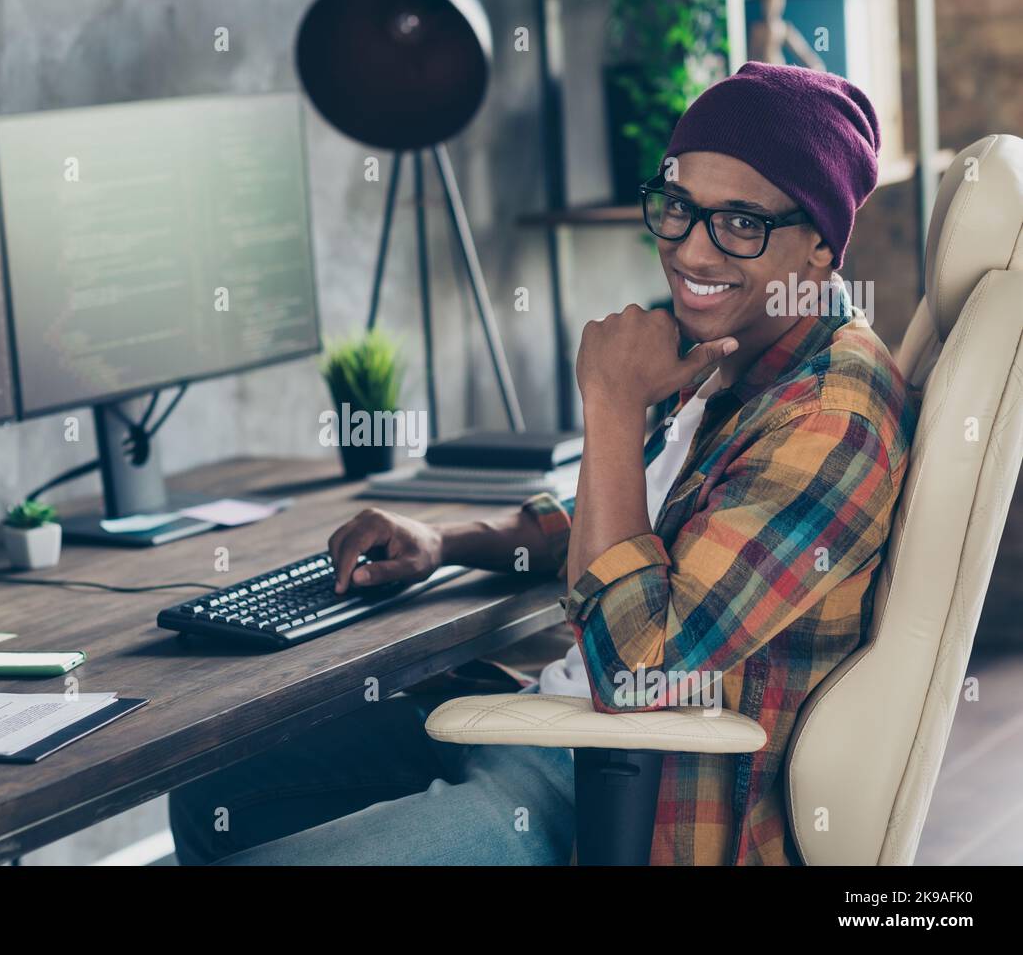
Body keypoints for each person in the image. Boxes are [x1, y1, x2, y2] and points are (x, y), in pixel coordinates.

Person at [171, 62, 916, 865]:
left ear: (819, 245)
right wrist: (447, 543)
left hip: (619, 790)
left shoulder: (828, 420)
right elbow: (640, 519)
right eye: (678, 208)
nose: (692, 250)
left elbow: (635, 671)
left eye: (741, 223)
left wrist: (611, 404)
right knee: (214, 793)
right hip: (546, 722)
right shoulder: (748, 352)